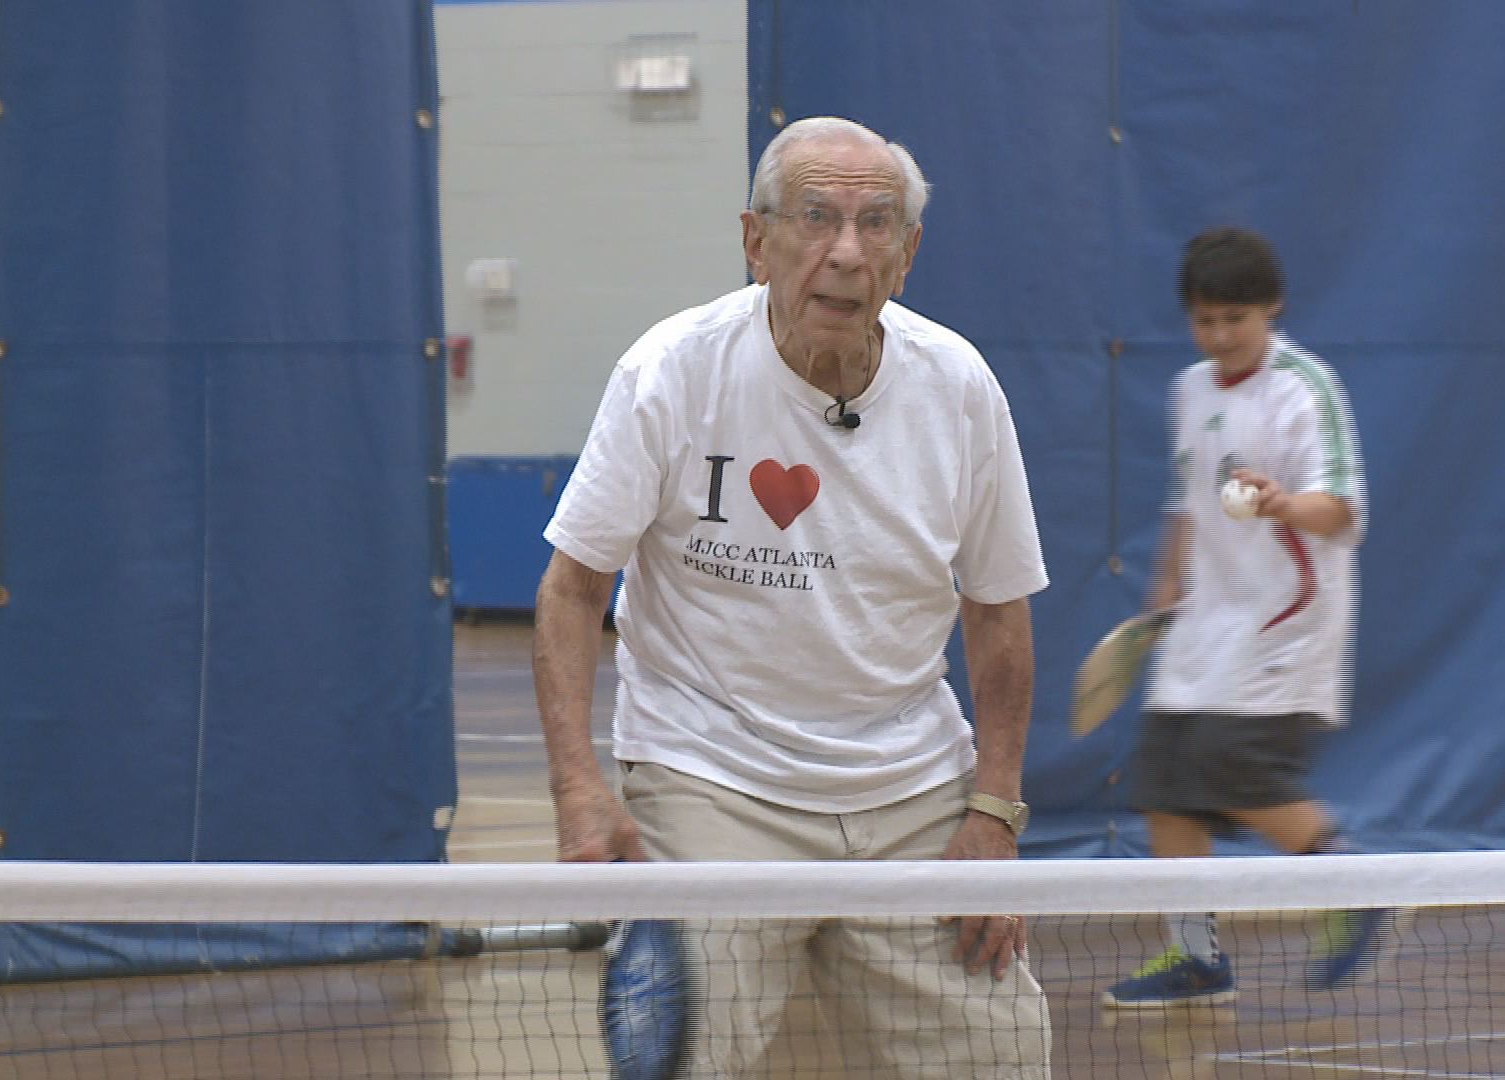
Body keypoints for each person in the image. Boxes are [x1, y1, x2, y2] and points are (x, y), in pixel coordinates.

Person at [533, 116, 1052, 1076]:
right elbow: (573, 590)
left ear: (908, 255)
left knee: (1004, 1056)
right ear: (756, 241)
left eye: (875, 223)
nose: (845, 252)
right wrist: (579, 789)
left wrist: (994, 811)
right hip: (711, 778)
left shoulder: (960, 388)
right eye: (815, 217)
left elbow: (998, 612)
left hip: (912, 794)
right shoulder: (670, 371)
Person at [1103, 227, 1387, 1008]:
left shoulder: (1304, 388)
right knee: (1164, 781)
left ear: (1272, 308)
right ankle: (1197, 959)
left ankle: (1354, 884)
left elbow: (1342, 509)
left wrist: (1282, 504)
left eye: (1236, 318)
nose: (1221, 335)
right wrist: (1166, 586)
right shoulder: (1190, 389)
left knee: (1232, 766)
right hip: (1204, 619)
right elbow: (1185, 498)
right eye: (1205, 320)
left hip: (1285, 617)